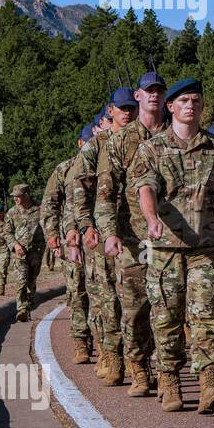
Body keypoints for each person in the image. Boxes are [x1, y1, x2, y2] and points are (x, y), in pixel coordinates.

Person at [129, 79, 214, 414]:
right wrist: (151, 220)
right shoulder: (152, 148)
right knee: (167, 318)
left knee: (205, 313)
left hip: (205, 247)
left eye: (196, 100)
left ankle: (208, 384)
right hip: (164, 250)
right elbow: (145, 187)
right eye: (184, 101)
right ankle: (170, 380)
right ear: (171, 107)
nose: (191, 105)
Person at [96, 79, 166, 392]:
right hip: (135, 237)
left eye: (160, 91)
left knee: (170, 306)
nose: (154, 96)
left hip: (175, 239)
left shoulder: (177, 133)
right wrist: (109, 232)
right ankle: (138, 366)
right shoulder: (121, 141)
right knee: (137, 306)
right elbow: (106, 192)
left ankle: (168, 372)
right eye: (148, 91)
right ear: (138, 96)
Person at [70, 111, 122, 382]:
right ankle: (108, 351)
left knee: (138, 300)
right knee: (103, 298)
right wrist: (79, 229)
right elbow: (74, 195)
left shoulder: (144, 140)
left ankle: (143, 364)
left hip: (135, 232)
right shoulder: (93, 149)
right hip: (99, 235)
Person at [41, 130, 93, 362]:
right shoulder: (65, 169)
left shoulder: (104, 164)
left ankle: (107, 343)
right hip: (72, 241)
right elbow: (50, 203)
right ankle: (81, 340)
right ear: (80, 142)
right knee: (77, 290)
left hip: (99, 238)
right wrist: (52, 234)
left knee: (103, 294)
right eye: (87, 141)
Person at [3, 184, 44, 322]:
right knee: (21, 280)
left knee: (31, 281)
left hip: (36, 252)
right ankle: (21, 308)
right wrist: (15, 245)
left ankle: (29, 305)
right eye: (14, 196)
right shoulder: (12, 212)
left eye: (18, 196)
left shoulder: (40, 209)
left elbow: (49, 227)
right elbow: (7, 232)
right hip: (20, 252)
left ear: (26, 195)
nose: (15, 199)